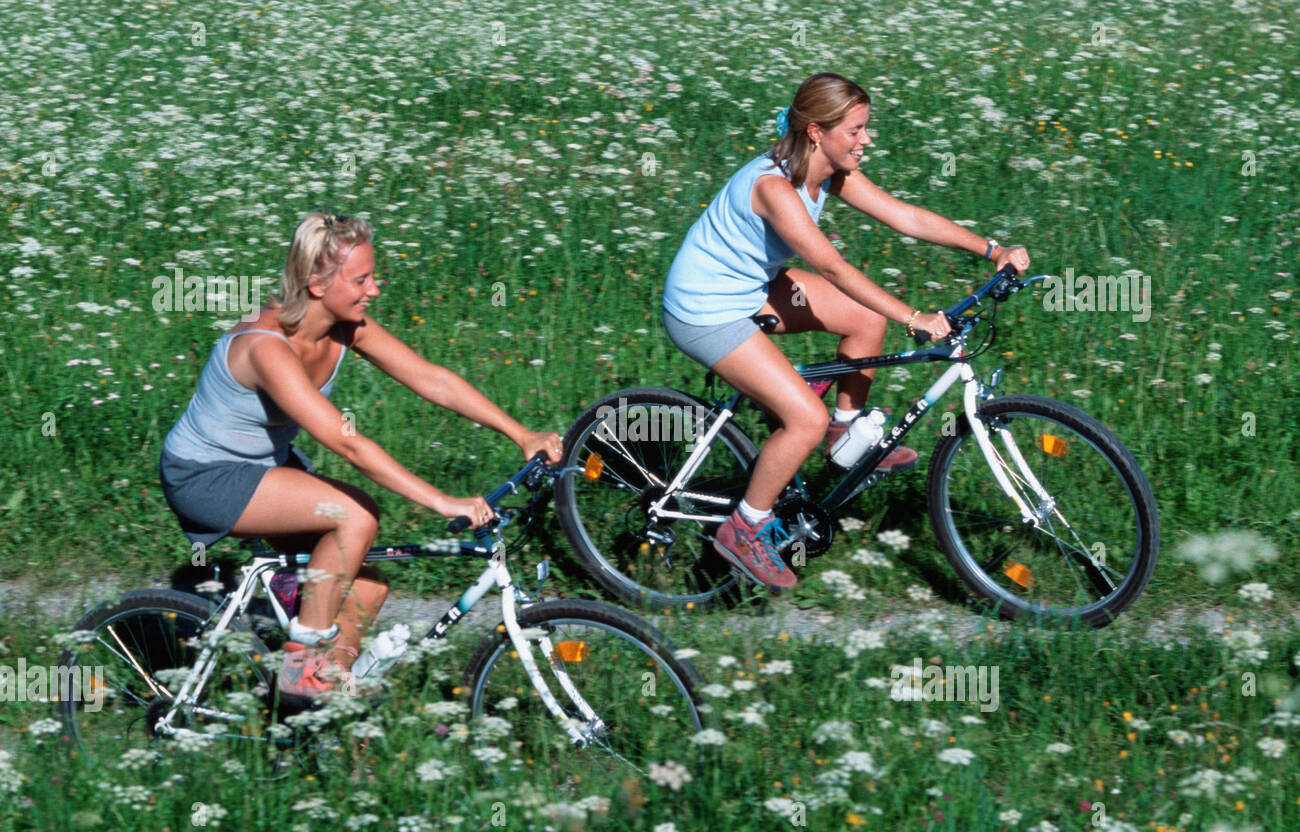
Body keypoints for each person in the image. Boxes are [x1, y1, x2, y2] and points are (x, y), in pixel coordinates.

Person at [159, 212, 562, 698]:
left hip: (267, 466)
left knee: (367, 587)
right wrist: (443, 502)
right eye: (361, 279)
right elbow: (347, 442)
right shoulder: (265, 348)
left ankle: (320, 707)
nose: (374, 289)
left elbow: (428, 377)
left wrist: (521, 433)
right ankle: (300, 668)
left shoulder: (344, 326)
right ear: (315, 283)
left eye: (373, 275)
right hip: (206, 477)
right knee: (355, 517)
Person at [661, 72, 1031, 589]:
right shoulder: (774, 188)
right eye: (855, 130)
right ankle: (745, 525)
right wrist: (914, 317)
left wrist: (992, 250)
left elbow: (906, 218)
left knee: (864, 319)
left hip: (751, 288)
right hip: (704, 311)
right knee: (801, 419)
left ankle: (844, 434)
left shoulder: (828, 172)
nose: (867, 139)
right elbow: (832, 267)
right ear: (816, 132)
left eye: (866, 127)